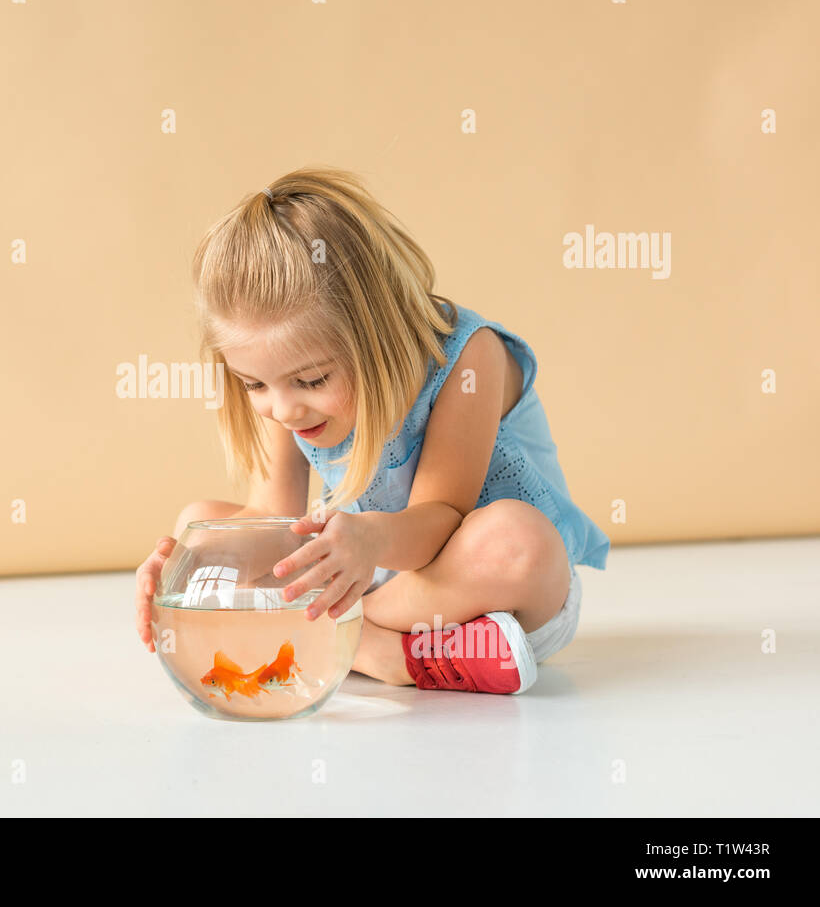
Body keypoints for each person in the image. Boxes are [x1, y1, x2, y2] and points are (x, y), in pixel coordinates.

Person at [134, 167, 609, 695]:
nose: (284, 409)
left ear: (378, 331)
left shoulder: (468, 357)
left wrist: (366, 542)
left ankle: (343, 640)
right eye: (253, 384)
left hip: (489, 591)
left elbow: (439, 522)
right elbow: (272, 517)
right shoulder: (286, 398)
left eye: (311, 379)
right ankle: (388, 652)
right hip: (376, 580)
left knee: (517, 540)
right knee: (200, 522)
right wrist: (184, 563)